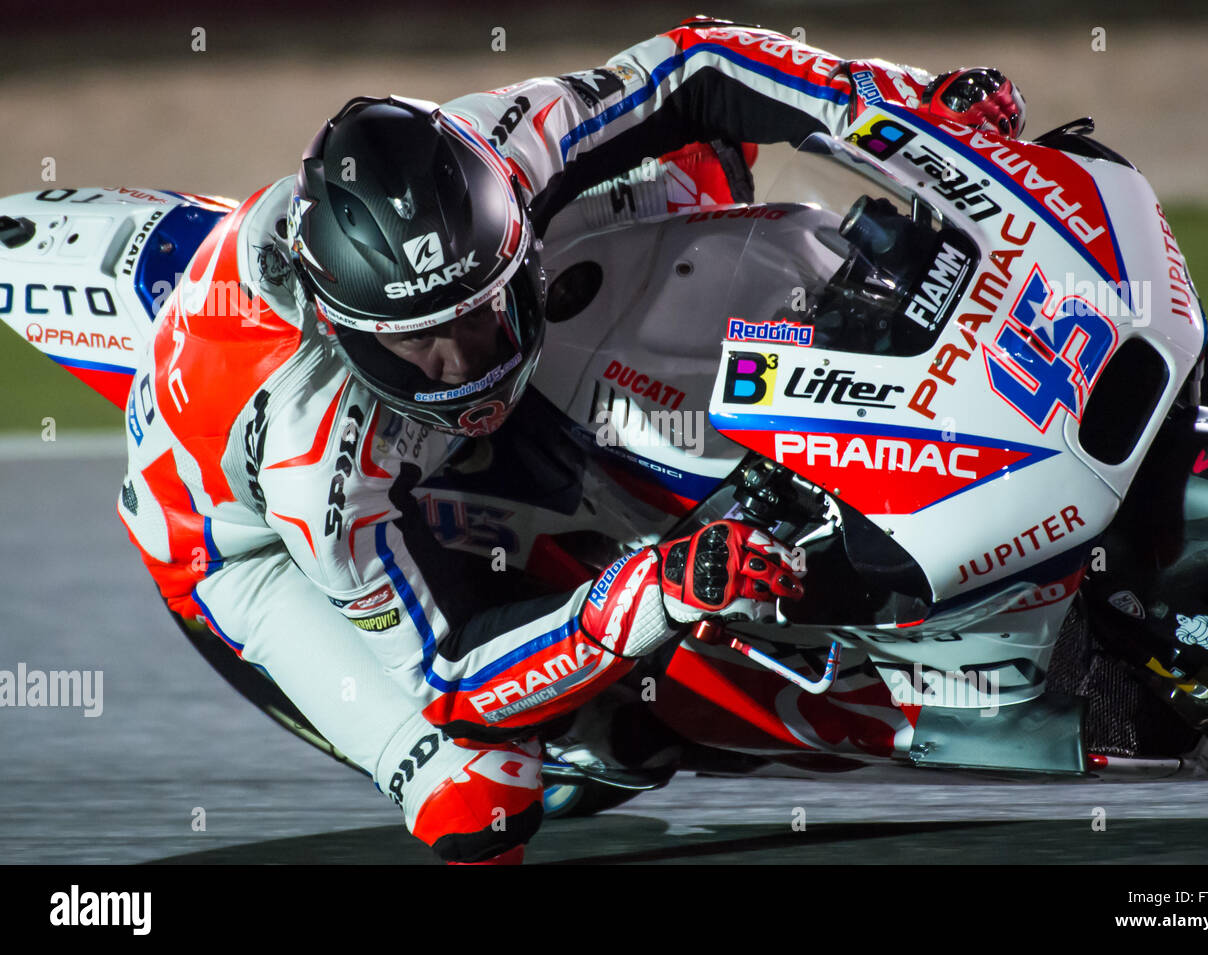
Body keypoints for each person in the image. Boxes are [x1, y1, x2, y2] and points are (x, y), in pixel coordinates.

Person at [117, 17, 1025, 864]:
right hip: (228, 539)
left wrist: (902, 106)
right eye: (421, 343)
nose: (462, 361)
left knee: (705, 159)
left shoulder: (496, 147)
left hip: (367, 358)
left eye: (481, 313)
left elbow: (694, 65)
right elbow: (453, 671)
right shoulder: (315, 464)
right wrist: (652, 591)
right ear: (352, 333)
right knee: (479, 797)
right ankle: (584, 727)